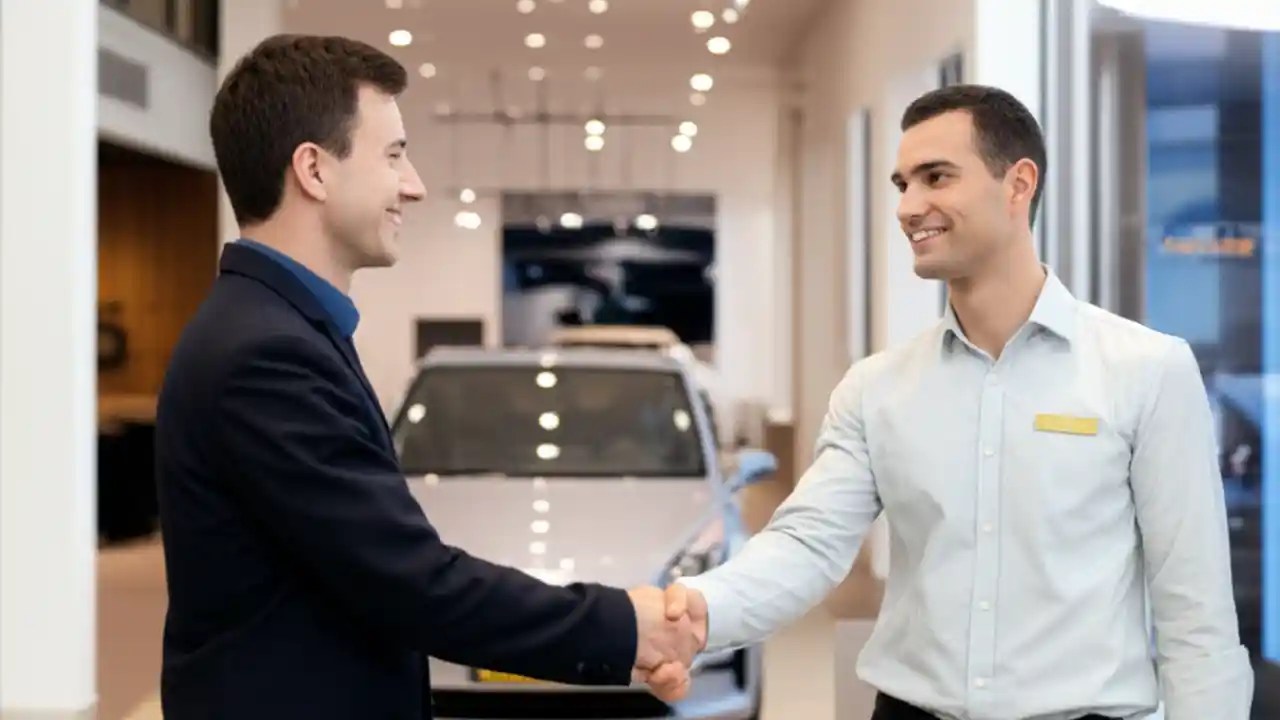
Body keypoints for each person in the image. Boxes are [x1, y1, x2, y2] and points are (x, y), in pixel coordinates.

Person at [662, 84, 1254, 719]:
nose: (910, 207)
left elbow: (1195, 613)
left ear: (1018, 183)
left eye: (935, 177)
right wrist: (702, 608)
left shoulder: (1147, 370)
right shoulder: (876, 386)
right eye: (901, 185)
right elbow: (808, 545)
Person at [154, 34, 696, 720]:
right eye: (394, 155)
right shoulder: (265, 354)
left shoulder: (278, 329)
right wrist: (622, 625)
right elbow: (410, 582)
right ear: (314, 171)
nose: (414, 185)